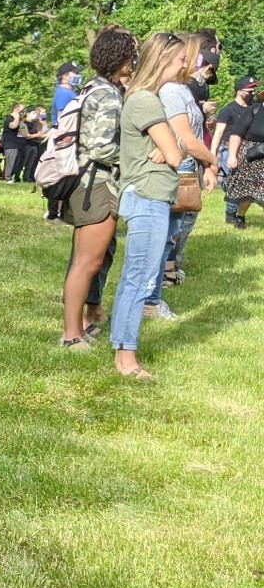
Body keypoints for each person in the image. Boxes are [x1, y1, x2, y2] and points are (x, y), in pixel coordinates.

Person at [110, 32, 192, 380]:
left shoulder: (146, 99)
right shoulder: (145, 100)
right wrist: (172, 148)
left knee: (140, 277)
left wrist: (171, 149)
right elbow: (178, 152)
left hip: (153, 196)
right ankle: (125, 359)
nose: (185, 64)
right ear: (161, 60)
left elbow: (174, 152)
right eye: (179, 59)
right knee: (138, 280)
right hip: (146, 196)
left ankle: (126, 351)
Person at [59, 29, 136, 351]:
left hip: (88, 184)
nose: (135, 60)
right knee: (87, 263)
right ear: (118, 58)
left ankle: (79, 326)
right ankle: (70, 334)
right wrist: (136, 157)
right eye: (132, 54)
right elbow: (102, 148)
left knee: (85, 260)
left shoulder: (95, 88)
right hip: (98, 186)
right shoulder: (107, 95)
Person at [145, 34, 216, 310]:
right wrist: (212, 162)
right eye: (188, 58)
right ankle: (154, 293)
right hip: (178, 164)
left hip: (186, 161)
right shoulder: (171, 91)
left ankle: (160, 285)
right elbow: (185, 138)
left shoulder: (182, 88)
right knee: (167, 232)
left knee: (173, 229)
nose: (193, 63)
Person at [213, 75, 258, 228]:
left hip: (246, 148)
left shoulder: (255, 109)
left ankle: (237, 213)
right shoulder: (228, 110)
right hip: (227, 147)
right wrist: (212, 155)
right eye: (250, 90)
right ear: (240, 91)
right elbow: (218, 133)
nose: (253, 92)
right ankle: (231, 214)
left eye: (254, 89)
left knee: (245, 182)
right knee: (233, 181)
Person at [43, 62, 83, 220]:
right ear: (65, 76)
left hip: (69, 136)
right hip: (64, 136)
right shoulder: (63, 93)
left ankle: (63, 211)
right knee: (60, 174)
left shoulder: (70, 92)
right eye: (74, 73)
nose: (77, 76)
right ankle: (54, 212)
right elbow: (62, 117)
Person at [1, 103, 26, 181]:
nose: (23, 113)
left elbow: (24, 132)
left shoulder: (19, 120)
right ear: (16, 109)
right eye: (22, 111)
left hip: (18, 145)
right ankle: (8, 178)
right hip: (10, 145)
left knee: (17, 163)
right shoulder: (10, 119)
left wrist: (21, 121)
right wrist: (16, 117)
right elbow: (13, 126)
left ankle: (15, 177)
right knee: (11, 163)